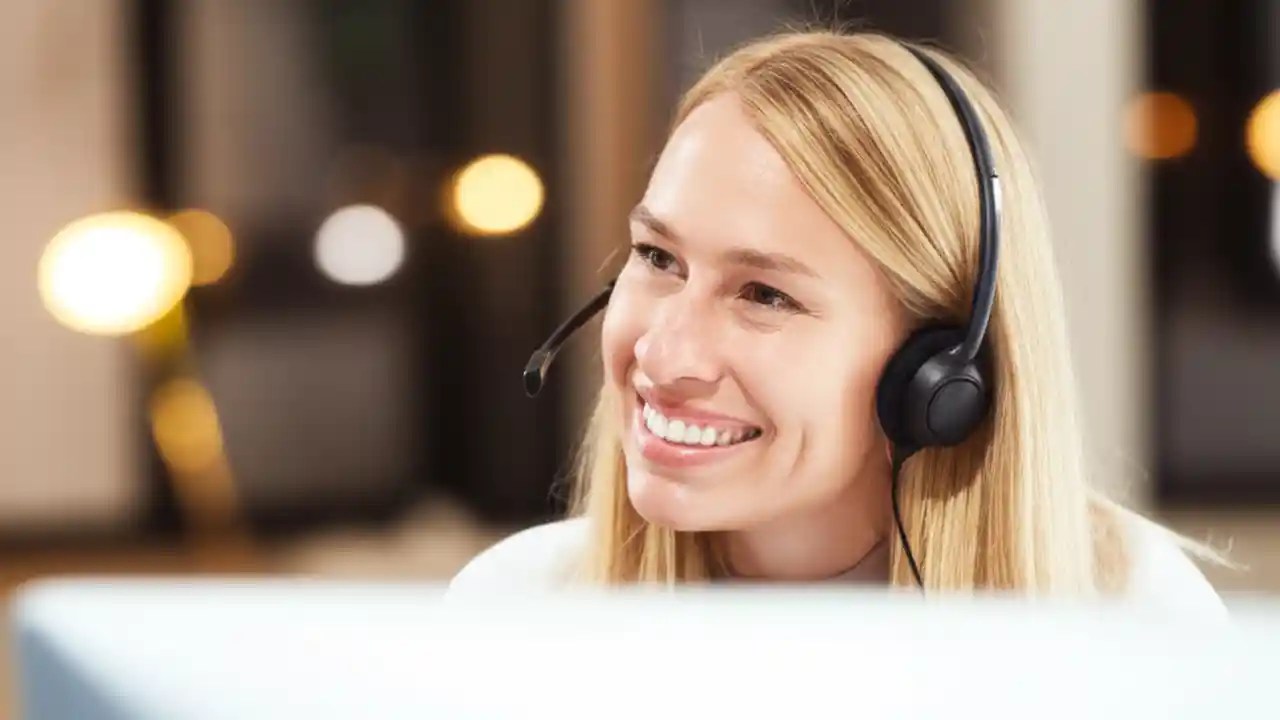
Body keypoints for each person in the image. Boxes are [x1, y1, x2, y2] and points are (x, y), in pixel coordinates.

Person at [449, 29, 1227, 614]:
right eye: (658, 257)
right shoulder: (519, 611)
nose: (665, 351)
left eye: (765, 295)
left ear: (939, 371)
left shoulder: (1133, 618)